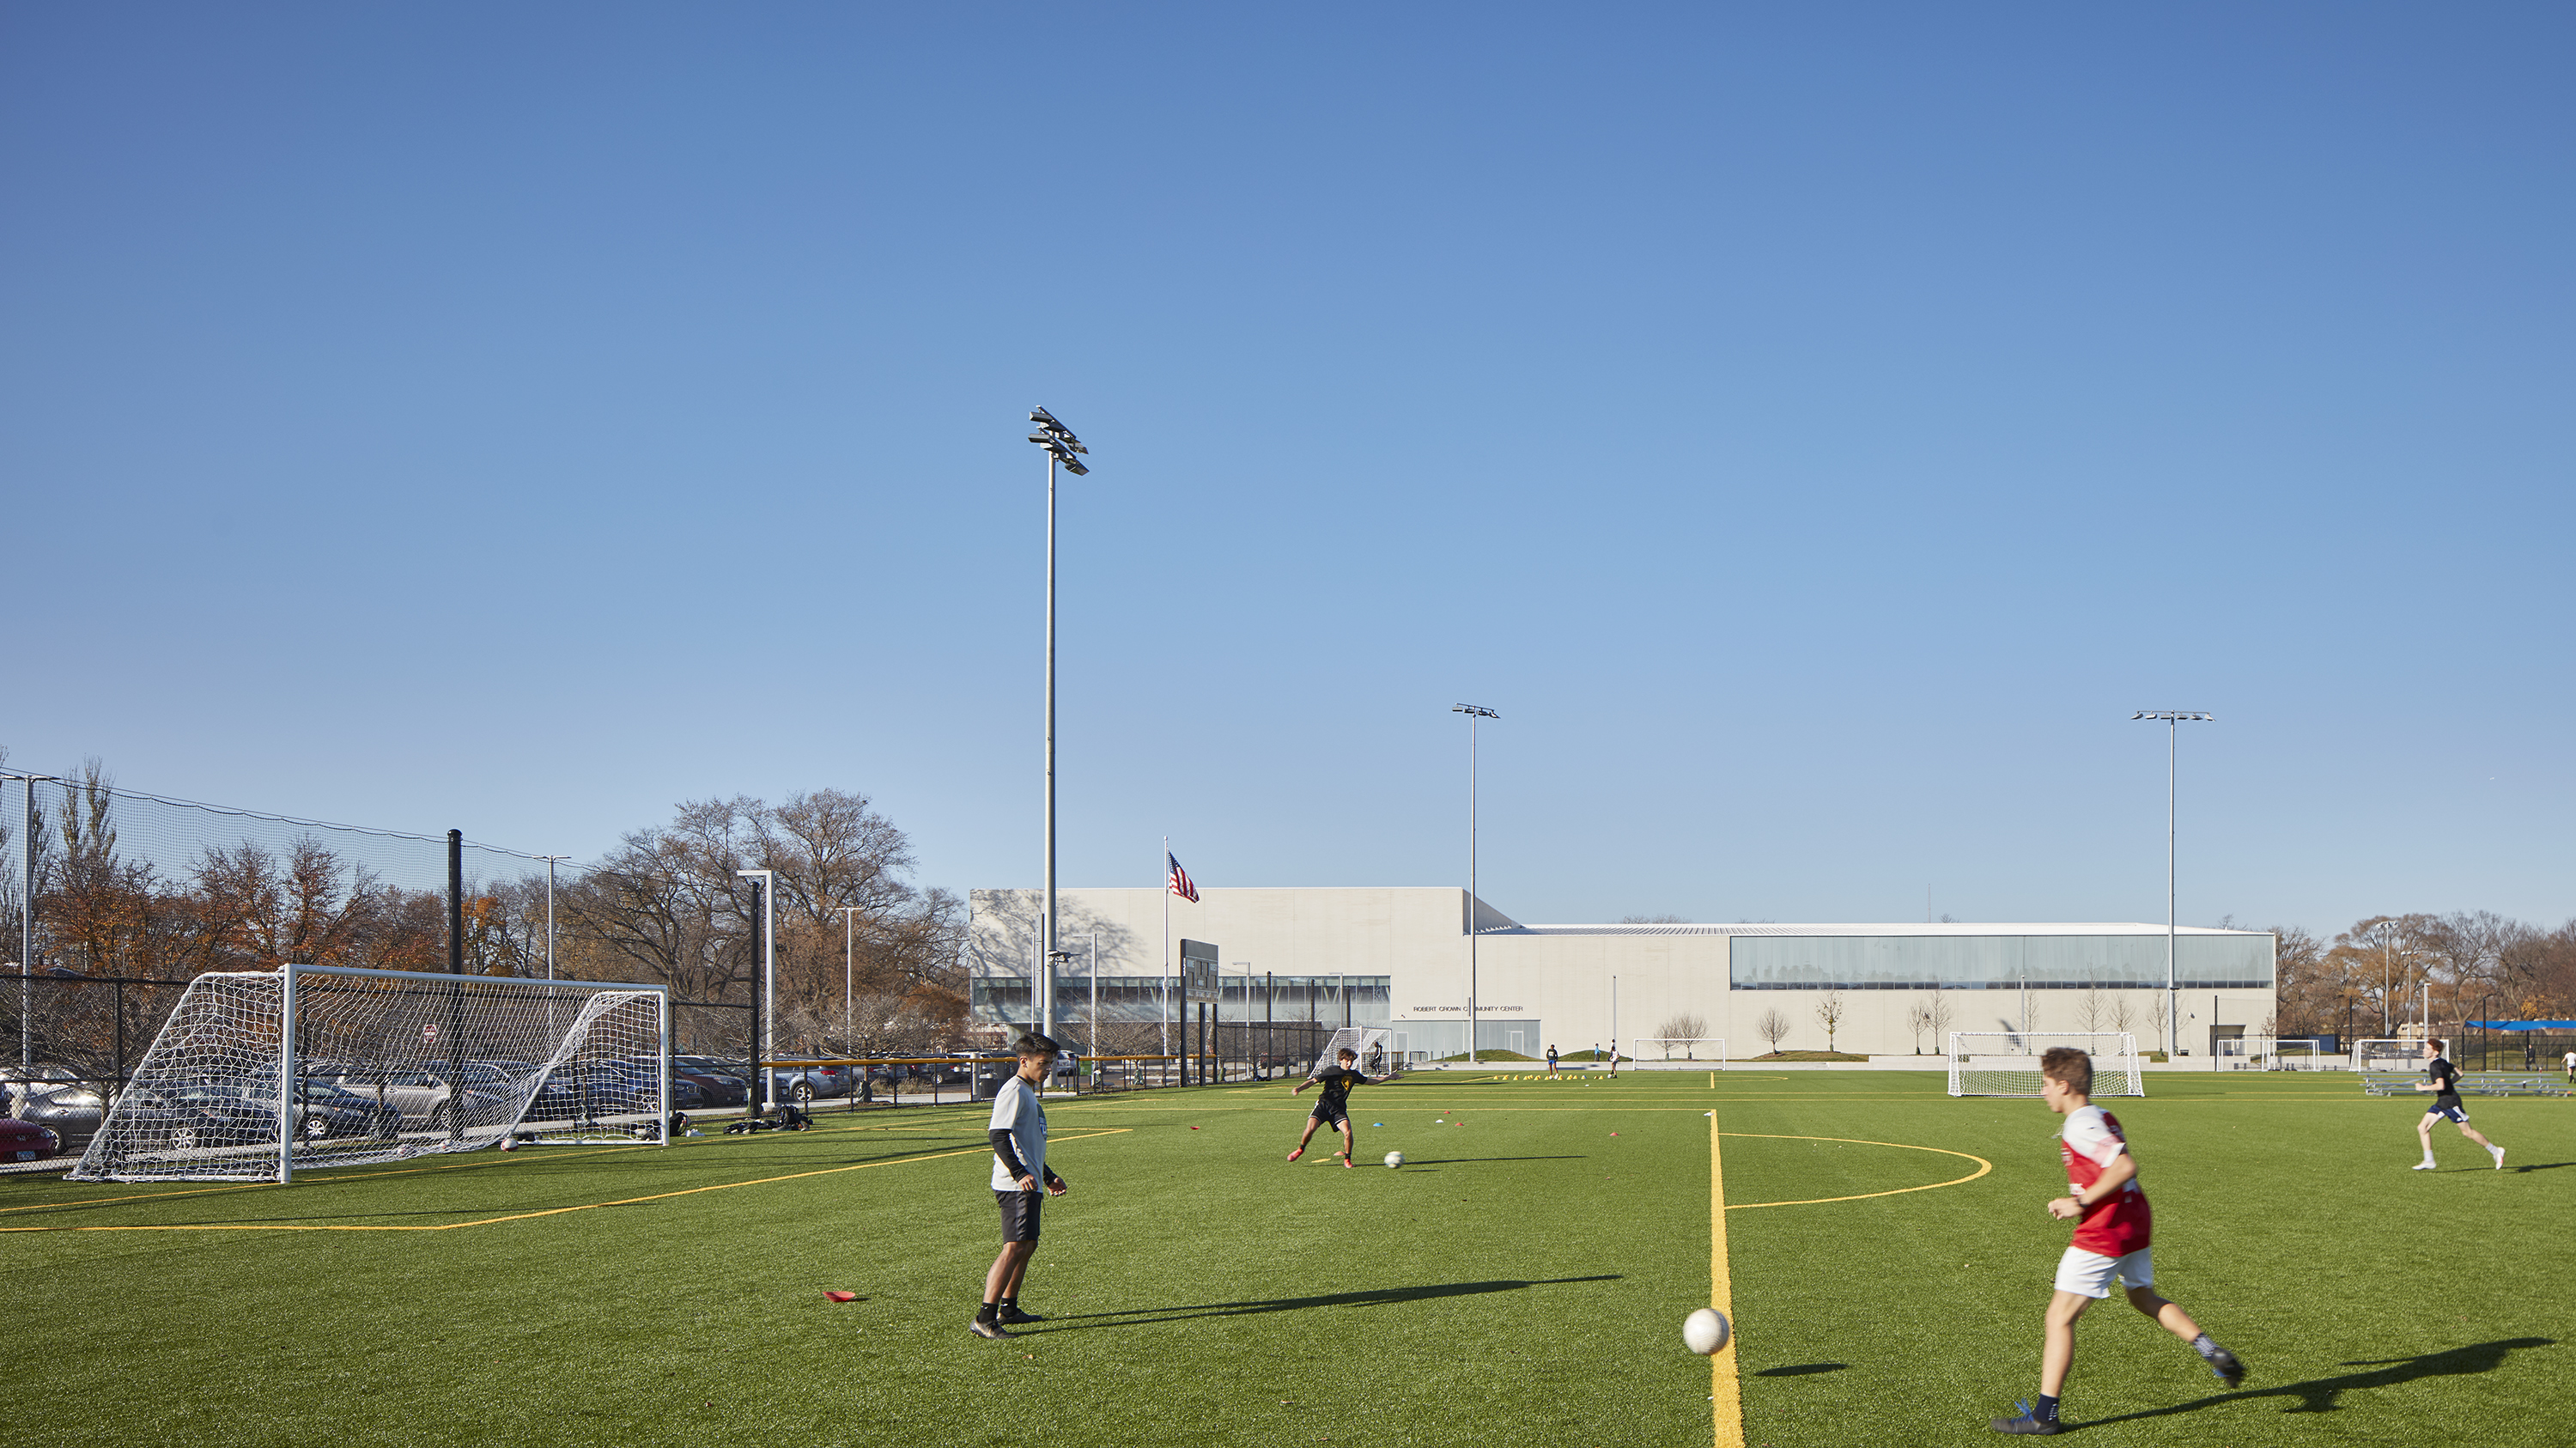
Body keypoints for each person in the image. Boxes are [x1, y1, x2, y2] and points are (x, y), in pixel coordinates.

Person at [1990, 1047, 2243, 1435]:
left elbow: (2124, 1166)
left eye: (2046, 1084)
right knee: (2142, 1297)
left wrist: (2080, 1202)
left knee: (2059, 1317)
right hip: (2134, 1220)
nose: (2042, 1091)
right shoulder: (2102, 1115)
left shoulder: (2080, 1124)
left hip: (2106, 1228)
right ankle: (2211, 1350)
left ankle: (2044, 1417)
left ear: (2064, 1085)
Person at [972, 1033, 1068, 1340]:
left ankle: (1009, 1309)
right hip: (1015, 1186)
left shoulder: (1027, 1092)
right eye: (1043, 1063)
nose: (1048, 1068)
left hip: (1029, 1183)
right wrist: (1019, 1174)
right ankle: (984, 1318)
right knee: (1013, 1247)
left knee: (1027, 1245)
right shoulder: (1013, 1090)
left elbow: (1027, 1144)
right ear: (1024, 1061)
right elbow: (998, 1135)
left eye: (1050, 1063)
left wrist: (1047, 1176)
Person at [2413, 1038, 2504, 1171]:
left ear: (2435, 1052)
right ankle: (2429, 1160)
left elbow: (2440, 1085)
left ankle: (2496, 1151)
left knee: (2468, 1132)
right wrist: (2449, 1084)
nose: (2424, 1050)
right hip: (2442, 1102)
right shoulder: (2443, 1062)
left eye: (2427, 1048)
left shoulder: (2435, 1066)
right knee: (2422, 1128)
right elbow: (2460, 1074)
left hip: (2451, 1103)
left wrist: (2423, 1087)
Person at [1287, 1047, 1382, 1168]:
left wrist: (1388, 1077)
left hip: (1339, 1109)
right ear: (1341, 1060)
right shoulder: (1332, 1070)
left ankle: (1347, 1159)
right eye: (1347, 1060)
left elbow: (1370, 1081)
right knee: (1310, 1129)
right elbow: (1313, 1081)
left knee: (1348, 1132)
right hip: (1323, 1106)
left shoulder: (1354, 1075)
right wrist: (1299, 1089)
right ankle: (1300, 1149)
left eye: (1351, 1061)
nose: (1350, 1063)